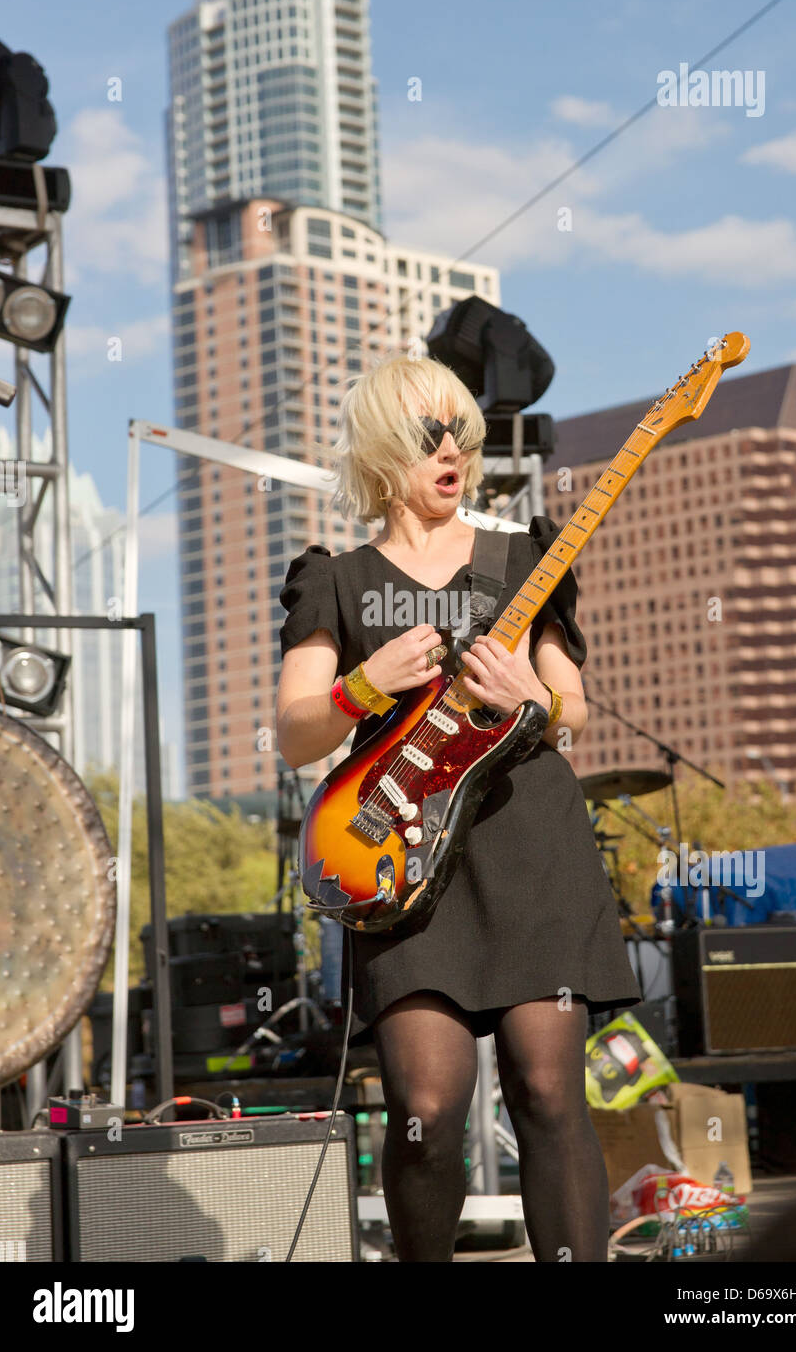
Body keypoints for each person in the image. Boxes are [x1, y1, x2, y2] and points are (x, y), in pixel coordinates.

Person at [276, 353, 641, 1262]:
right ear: (383, 449)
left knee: (551, 1092)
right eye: (430, 434)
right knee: (427, 1113)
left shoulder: (524, 558)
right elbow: (292, 731)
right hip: (401, 859)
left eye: (464, 435)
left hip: (530, 843)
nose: (454, 451)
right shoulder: (337, 576)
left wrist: (533, 693)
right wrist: (365, 684)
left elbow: (575, 712)